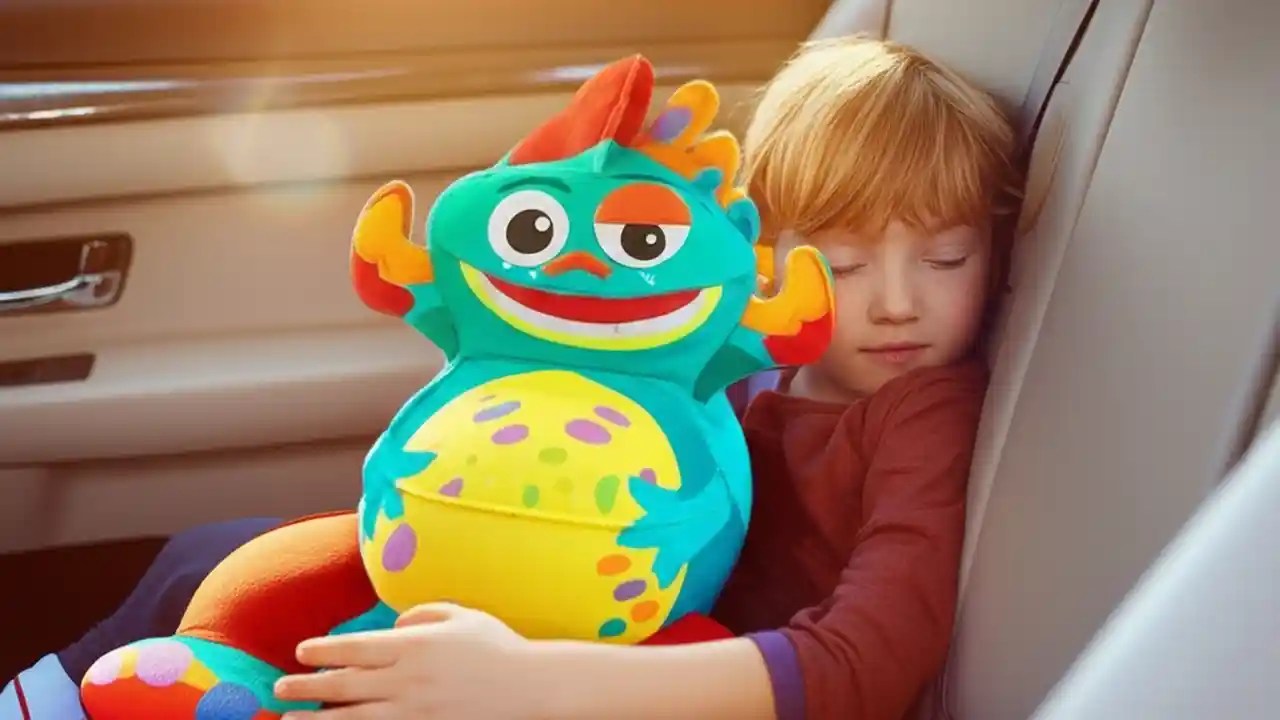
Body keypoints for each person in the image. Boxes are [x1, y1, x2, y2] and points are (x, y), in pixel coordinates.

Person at [1, 35, 1018, 720]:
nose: (894, 301)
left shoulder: (919, 412)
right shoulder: (739, 357)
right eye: (841, 263)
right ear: (765, 262)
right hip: (596, 616)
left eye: (944, 257)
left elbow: (865, 662)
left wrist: (525, 682)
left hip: (679, 673)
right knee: (215, 557)